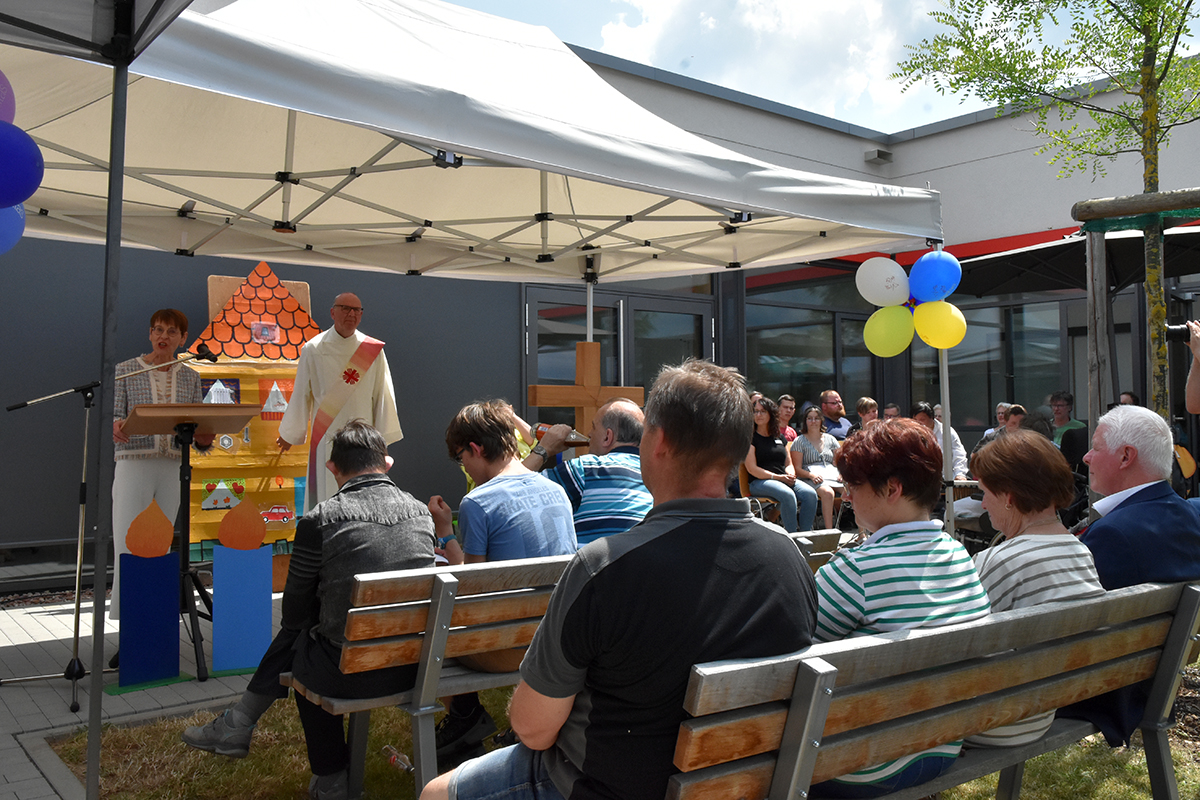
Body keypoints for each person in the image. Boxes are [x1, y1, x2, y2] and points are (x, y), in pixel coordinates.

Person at [418, 359, 819, 800]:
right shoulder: (792, 557)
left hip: (604, 786)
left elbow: (532, 730)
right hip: (740, 783)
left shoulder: (604, 568)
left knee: (435, 793)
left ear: (659, 441)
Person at [183, 420, 435, 800]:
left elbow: (294, 613)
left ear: (333, 468)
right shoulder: (422, 512)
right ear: (387, 462)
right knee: (307, 638)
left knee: (301, 647)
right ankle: (237, 724)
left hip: (350, 674)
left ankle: (328, 778)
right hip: (414, 667)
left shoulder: (321, 519)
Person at [811, 418, 990, 796]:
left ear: (892, 488)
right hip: (943, 744)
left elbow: (791, 645)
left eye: (853, 485)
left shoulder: (856, 570)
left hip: (863, 764)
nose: (847, 496)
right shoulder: (958, 555)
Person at [428, 400, 578, 757]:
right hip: (557, 644)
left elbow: (472, 589)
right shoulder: (557, 491)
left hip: (505, 647)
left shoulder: (477, 502)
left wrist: (446, 535)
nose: (463, 465)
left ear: (476, 449)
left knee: (427, 633)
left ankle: (465, 715)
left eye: (461, 457)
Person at [1058, 405, 1200, 746]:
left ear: (1125, 457)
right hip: (1157, 678)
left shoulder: (1114, 534)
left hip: (1104, 693)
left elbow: (1073, 631)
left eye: (1095, 447)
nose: (1087, 457)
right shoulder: (1191, 516)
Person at [966, 430, 1104, 747]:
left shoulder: (999, 560)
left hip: (995, 723)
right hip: (1045, 709)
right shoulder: (1079, 550)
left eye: (985, 492)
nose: (984, 503)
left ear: (1009, 496)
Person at [111, 308, 213, 622]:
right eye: (157, 330)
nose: (162, 337)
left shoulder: (191, 377)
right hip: (134, 464)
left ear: (183, 338)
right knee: (128, 542)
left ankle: (153, 618)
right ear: (149, 334)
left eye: (171, 331)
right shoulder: (126, 370)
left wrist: (206, 439)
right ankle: (128, 619)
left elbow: (196, 433)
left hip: (172, 468)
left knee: (161, 542)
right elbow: (115, 418)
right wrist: (116, 426)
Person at [276, 293, 402, 513]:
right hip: (327, 436)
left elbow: (384, 395)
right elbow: (301, 393)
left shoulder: (372, 350)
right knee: (326, 496)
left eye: (357, 310)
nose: (351, 314)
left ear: (361, 315)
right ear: (332, 312)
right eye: (345, 308)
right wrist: (290, 433)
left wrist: (383, 440)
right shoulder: (313, 348)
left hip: (365, 439)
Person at [525, 398, 653, 544]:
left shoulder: (585, 468)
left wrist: (544, 449)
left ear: (607, 437)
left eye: (593, 427)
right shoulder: (656, 474)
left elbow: (513, 489)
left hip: (594, 565)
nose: (588, 433)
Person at [744, 395, 820, 532]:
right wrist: (778, 477)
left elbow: (789, 463)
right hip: (760, 482)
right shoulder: (751, 437)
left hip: (783, 479)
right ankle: (792, 537)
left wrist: (790, 474)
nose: (758, 415)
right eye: (756, 411)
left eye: (762, 411)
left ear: (771, 414)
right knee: (788, 495)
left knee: (810, 494)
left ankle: (806, 535)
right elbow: (752, 468)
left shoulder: (779, 437)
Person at [791, 406, 841, 530]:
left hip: (832, 476)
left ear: (821, 420)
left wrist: (841, 473)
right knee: (828, 493)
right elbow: (797, 469)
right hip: (810, 478)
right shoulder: (799, 441)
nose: (813, 422)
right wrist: (811, 475)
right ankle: (830, 532)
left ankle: (862, 533)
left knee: (853, 490)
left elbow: (839, 462)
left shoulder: (830, 439)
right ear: (805, 421)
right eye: (810, 418)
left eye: (816, 418)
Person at [911, 401, 968, 479]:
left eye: (922, 419)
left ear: (932, 418)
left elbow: (959, 454)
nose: (918, 423)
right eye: (915, 420)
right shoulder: (911, 434)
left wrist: (960, 473)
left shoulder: (947, 432)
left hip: (945, 480)